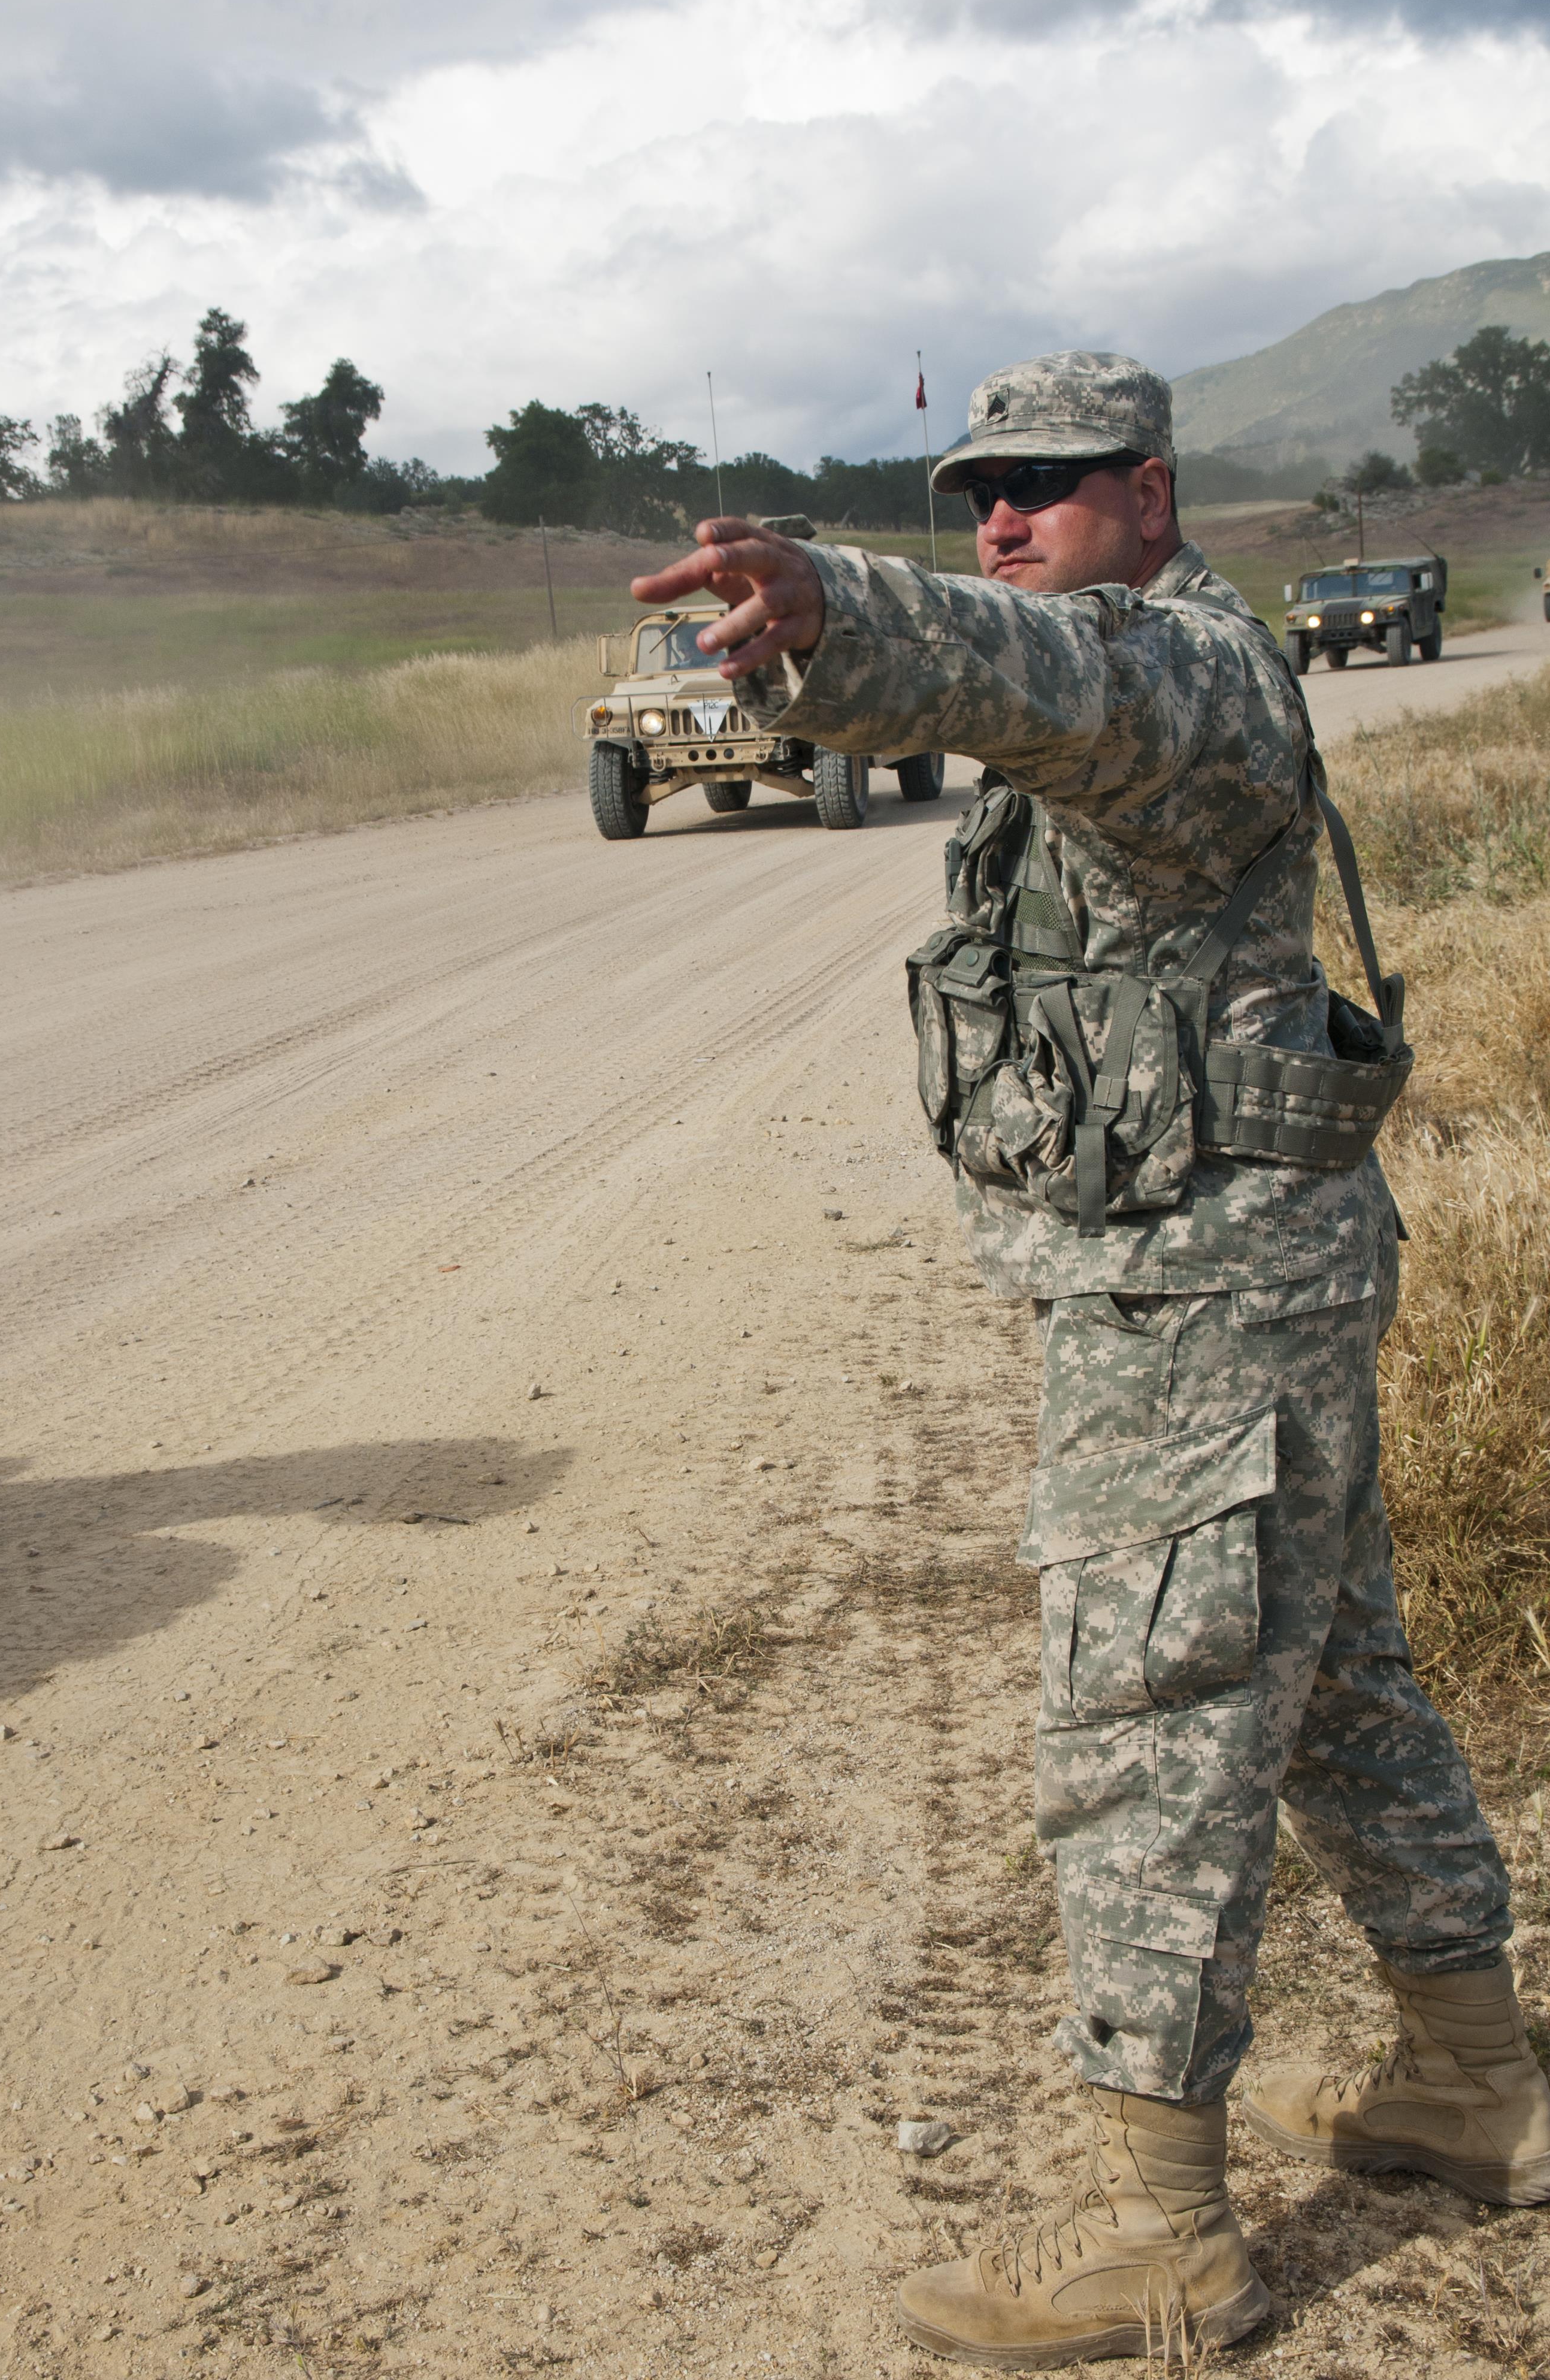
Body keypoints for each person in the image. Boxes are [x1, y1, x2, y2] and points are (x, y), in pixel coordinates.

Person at [630, 351, 1550, 2369]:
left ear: (1148, 491)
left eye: (1046, 483)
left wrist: (841, 602)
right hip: (1237, 1289)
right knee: (1332, 1684)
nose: (1004, 519)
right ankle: (1476, 2088)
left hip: (1205, 1308)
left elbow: (1031, 675)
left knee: (1148, 1716)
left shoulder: (1187, 678)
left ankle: (1170, 2239)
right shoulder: (1138, 675)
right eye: (978, 491)